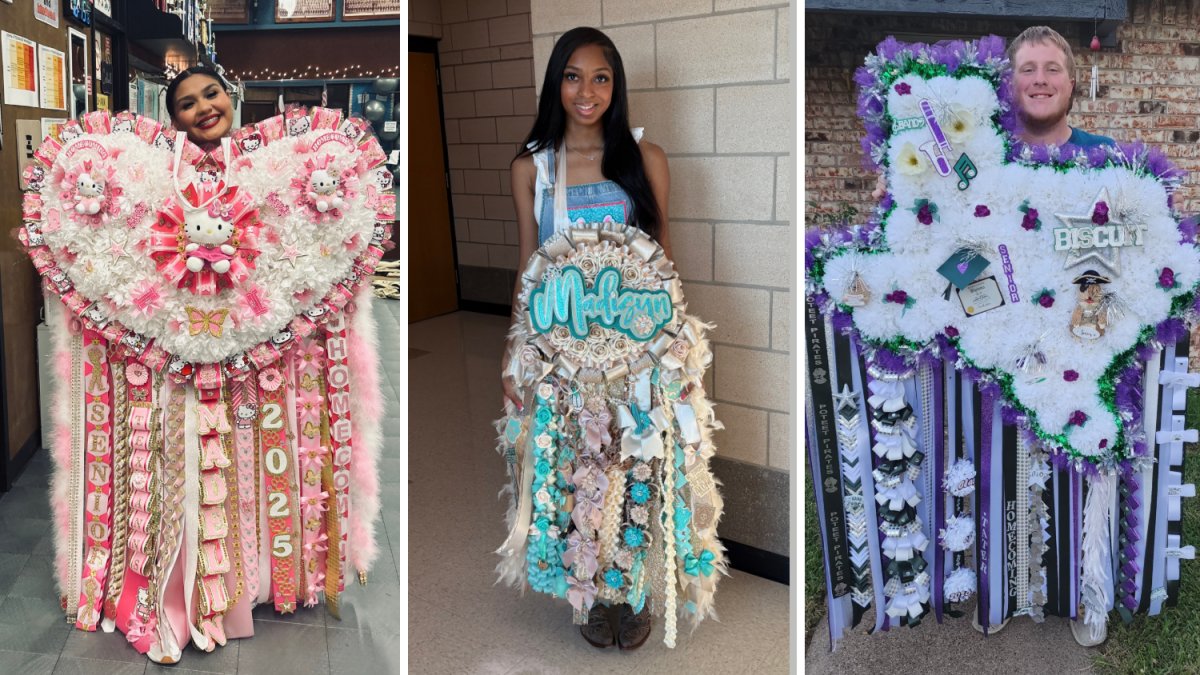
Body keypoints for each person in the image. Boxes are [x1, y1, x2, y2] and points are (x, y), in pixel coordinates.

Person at [501, 26, 672, 650]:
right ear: (556, 83)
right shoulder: (532, 169)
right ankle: (590, 592)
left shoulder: (643, 160)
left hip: (634, 350)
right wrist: (513, 354)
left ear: (615, 86)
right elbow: (527, 268)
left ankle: (633, 589)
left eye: (601, 78)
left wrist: (675, 348)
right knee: (574, 472)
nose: (587, 91)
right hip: (560, 352)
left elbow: (663, 262)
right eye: (574, 76)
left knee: (633, 469)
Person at [872, 25, 1114, 200]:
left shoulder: (1107, 156)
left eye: (1052, 69)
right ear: (1009, 84)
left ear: (1070, 84)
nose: (1040, 80)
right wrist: (901, 188)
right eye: (1028, 70)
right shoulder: (977, 158)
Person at [165, 65, 236, 148]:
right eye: (188, 104)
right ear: (175, 121)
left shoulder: (252, 149)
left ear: (228, 96)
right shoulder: (157, 159)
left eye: (211, 94)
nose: (204, 108)